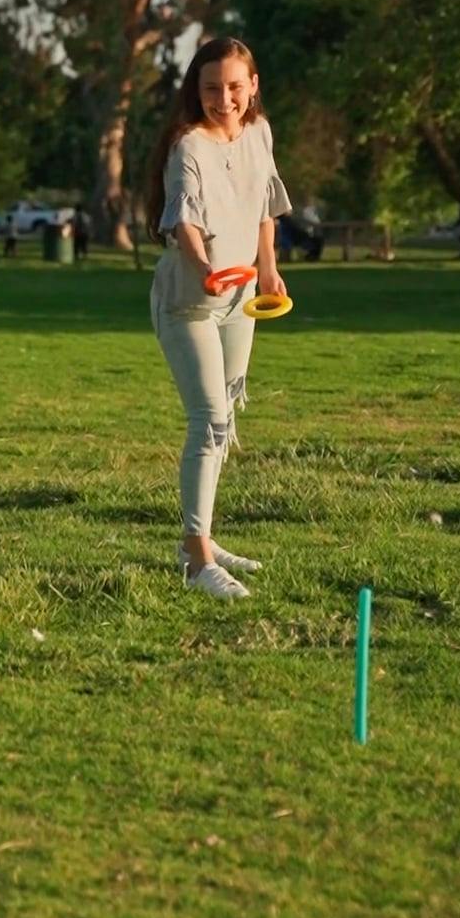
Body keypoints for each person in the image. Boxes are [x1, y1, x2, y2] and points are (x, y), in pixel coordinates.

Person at [146, 36, 291, 601]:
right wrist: (205, 265)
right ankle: (196, 556)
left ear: (252, 86)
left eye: (234, 86)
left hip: (243, 295)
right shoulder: (188, 147)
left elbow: (263, 208)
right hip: (188, 298)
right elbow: (182, 220)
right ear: (196, 90)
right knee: (207, 421)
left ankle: (203, 536)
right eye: (211, 87)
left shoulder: (259, 132)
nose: (223, 98)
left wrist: (268, 270)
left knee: (226, 417)